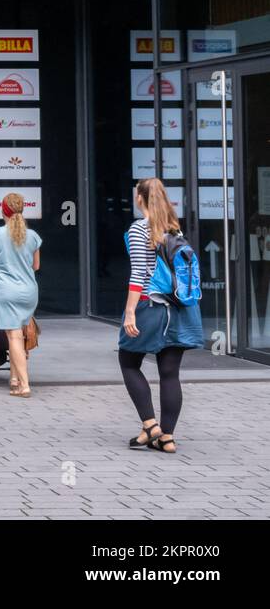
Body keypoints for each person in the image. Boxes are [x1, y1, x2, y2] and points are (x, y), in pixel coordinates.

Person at [119, 178, 204, 454]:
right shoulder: (173, 228)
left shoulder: (138, 229)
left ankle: (150, 425)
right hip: (181, 308)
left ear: (141, 199)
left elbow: (138, 274)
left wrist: (130, 311)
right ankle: (166, 438)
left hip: (150, 306)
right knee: (169, 373)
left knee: (128, 360)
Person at [0, 192, 42, 397]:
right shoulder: (33, 236)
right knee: (20, 337)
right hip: (29, 292)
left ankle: (24, 385)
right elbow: (36, 266)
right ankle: (14, 380)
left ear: (3, 211)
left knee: (13, 337)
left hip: (7, 292)